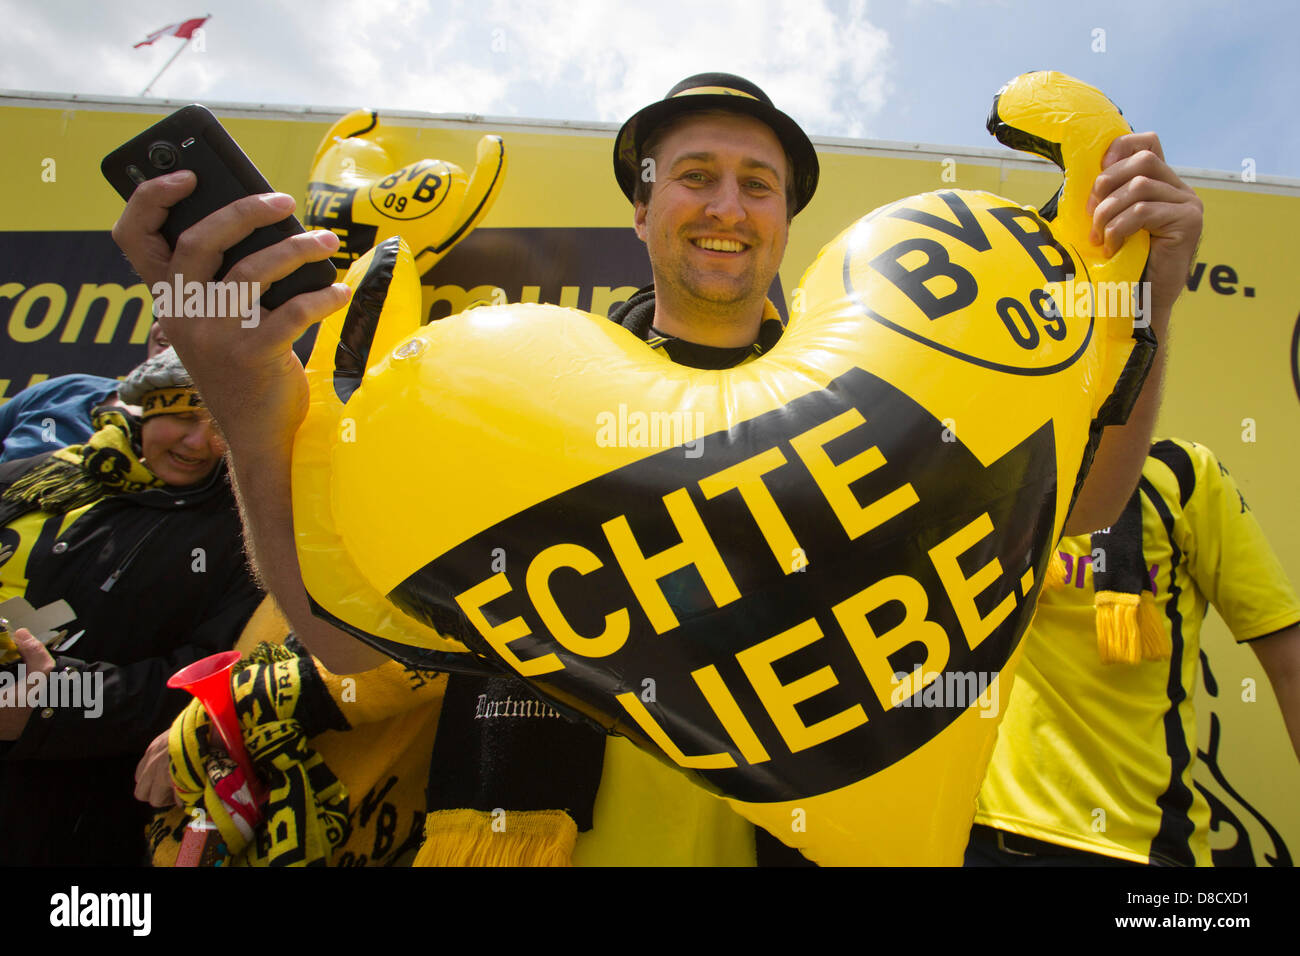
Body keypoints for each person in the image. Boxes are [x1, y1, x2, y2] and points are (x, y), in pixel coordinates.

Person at [113, 72, 1203, 863]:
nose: (726, 207)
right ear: (640, 210)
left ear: (785, 222)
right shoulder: (518, 396)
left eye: (756, 184)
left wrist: (1146, 299)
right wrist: (254, 406)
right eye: (693, 177)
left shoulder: (901, 400)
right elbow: (354, 633)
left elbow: (1078, 506)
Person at [968, 438, 1300, 866]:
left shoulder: (1181, 475)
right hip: (976, 833)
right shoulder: (990, 476)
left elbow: (1289, 664)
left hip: (1134, 843)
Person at [0, 347, 262, 865]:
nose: (199, 443)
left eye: (219, 426)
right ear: (147, 409)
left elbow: (199, 680)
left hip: (78, 810)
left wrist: (45, 706)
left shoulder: (246, 537)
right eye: (183, 416)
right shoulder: (32, 479)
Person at [0, 321, 170, 463]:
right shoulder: (66, 389)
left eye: (195, 316)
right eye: (166, 310)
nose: (169, 323)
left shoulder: (188, 447)